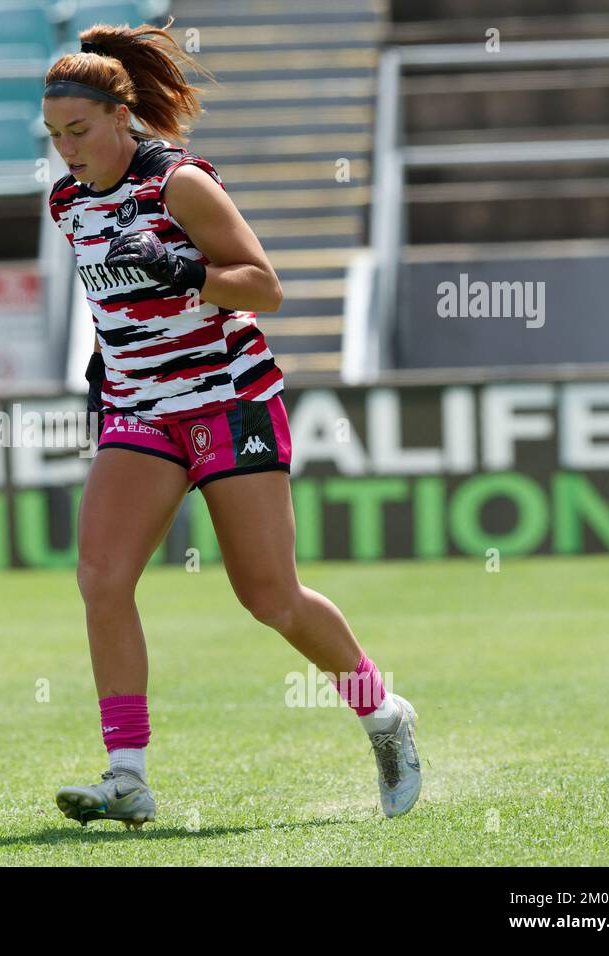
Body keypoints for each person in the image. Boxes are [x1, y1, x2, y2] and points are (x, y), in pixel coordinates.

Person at [43, 20, 421, 829]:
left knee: (270, 597)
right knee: (101, 579)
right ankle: (127, 775)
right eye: (53, 136)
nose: (66, 149)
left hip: (228, 401)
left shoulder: (179, 183)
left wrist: (183, 265)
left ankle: (383, 713)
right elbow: (112, 303)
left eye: (79, 131)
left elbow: (264, 287)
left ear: (121, 117)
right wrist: (103, 374)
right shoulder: (67, 203)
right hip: (140, 410)